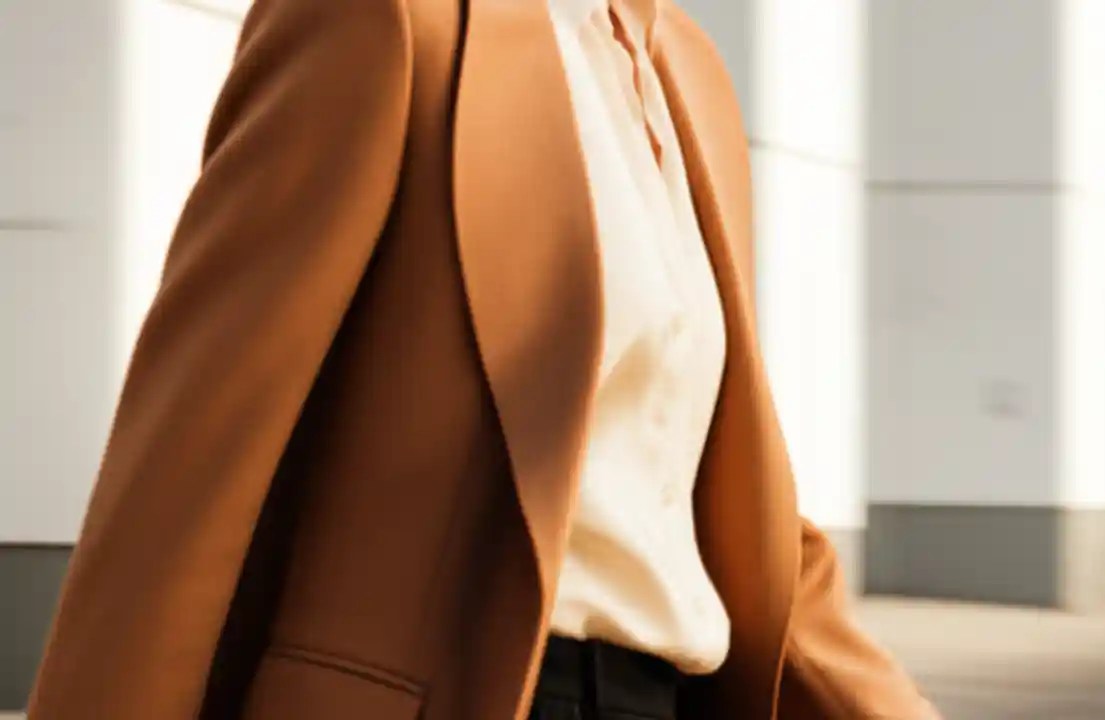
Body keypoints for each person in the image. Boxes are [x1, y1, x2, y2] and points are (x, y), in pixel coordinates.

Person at [27, 0, 939, 718]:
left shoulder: (682, 72)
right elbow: (193, 466)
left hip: (660, 696)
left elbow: (727, 510)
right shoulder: (380, 20)